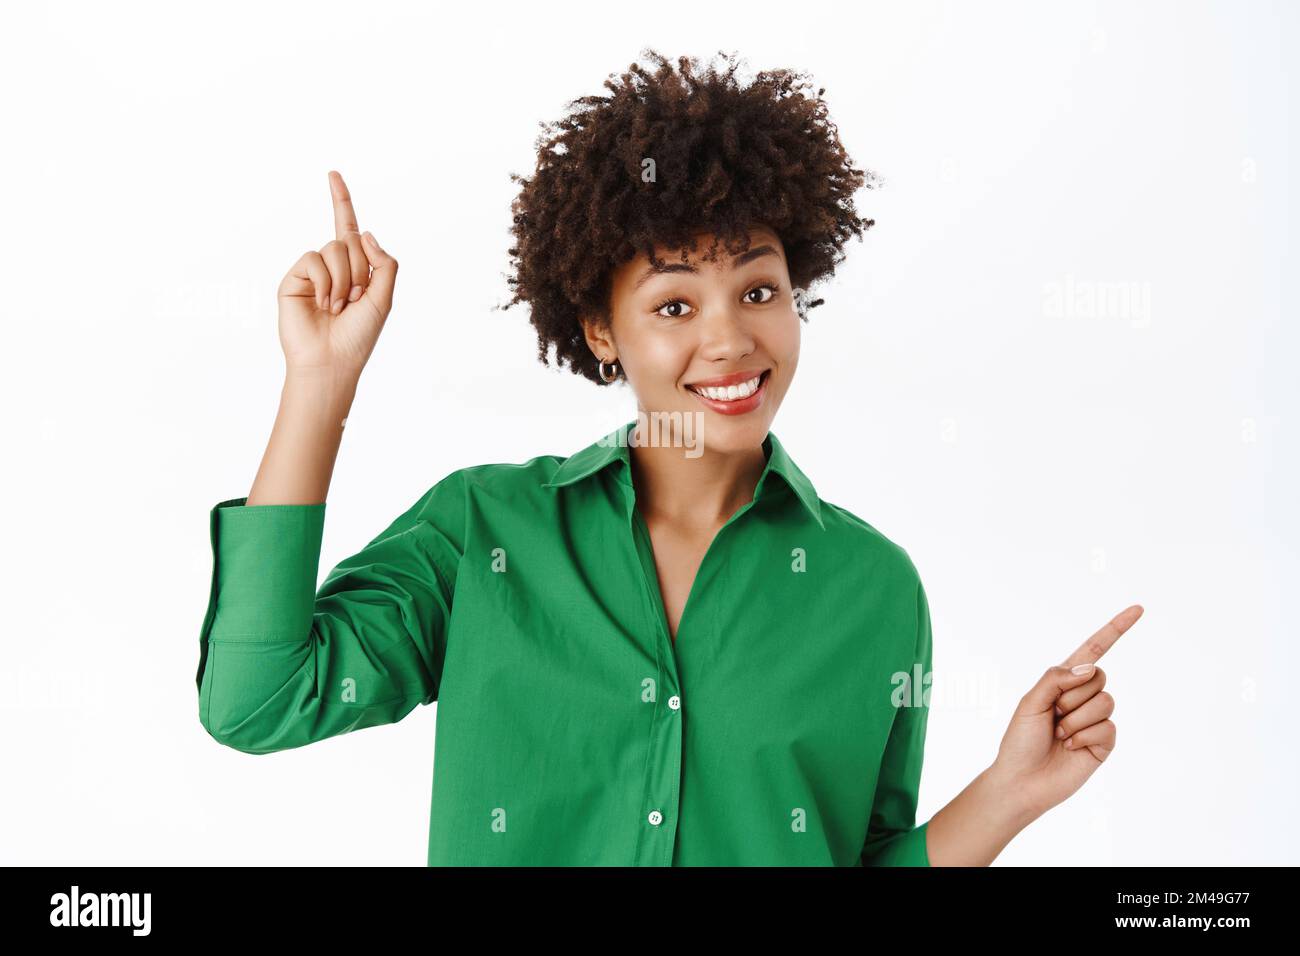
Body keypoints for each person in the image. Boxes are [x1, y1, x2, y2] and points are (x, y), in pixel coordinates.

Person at [196, 49, 1142, 866]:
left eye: (760, 290)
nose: (731, 341)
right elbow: (257, 700)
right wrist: (318, 385)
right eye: (676, 306)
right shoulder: (482, 535)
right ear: (602, 330)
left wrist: (1008, 795)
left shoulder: (874, 588)